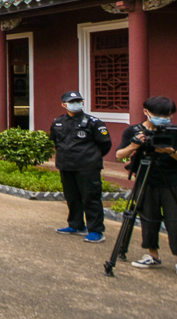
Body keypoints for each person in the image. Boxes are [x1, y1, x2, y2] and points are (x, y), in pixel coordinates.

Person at [115, 96, 177, 279]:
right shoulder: (133, 131)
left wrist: (170, 151)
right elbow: (119, 154)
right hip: (146, 180)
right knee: (148, 218)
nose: (165, 119)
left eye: (168, 116)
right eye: (160, 115)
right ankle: (152, 255)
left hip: (172, 182)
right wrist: (134, 146)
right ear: (146, 112)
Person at [49, 90, 111, 242]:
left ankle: (96, 230)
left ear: (82, 103)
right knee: (72, 197)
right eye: (71, 102)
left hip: (87, 166)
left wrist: (91, 157)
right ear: (63, 104)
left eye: (78, 101)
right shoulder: (58, 122)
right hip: (66, 165)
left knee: (91, 197)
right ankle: (76, 225)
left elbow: (105, 144)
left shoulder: (93, 122)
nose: (75, 104)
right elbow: (55, 142)